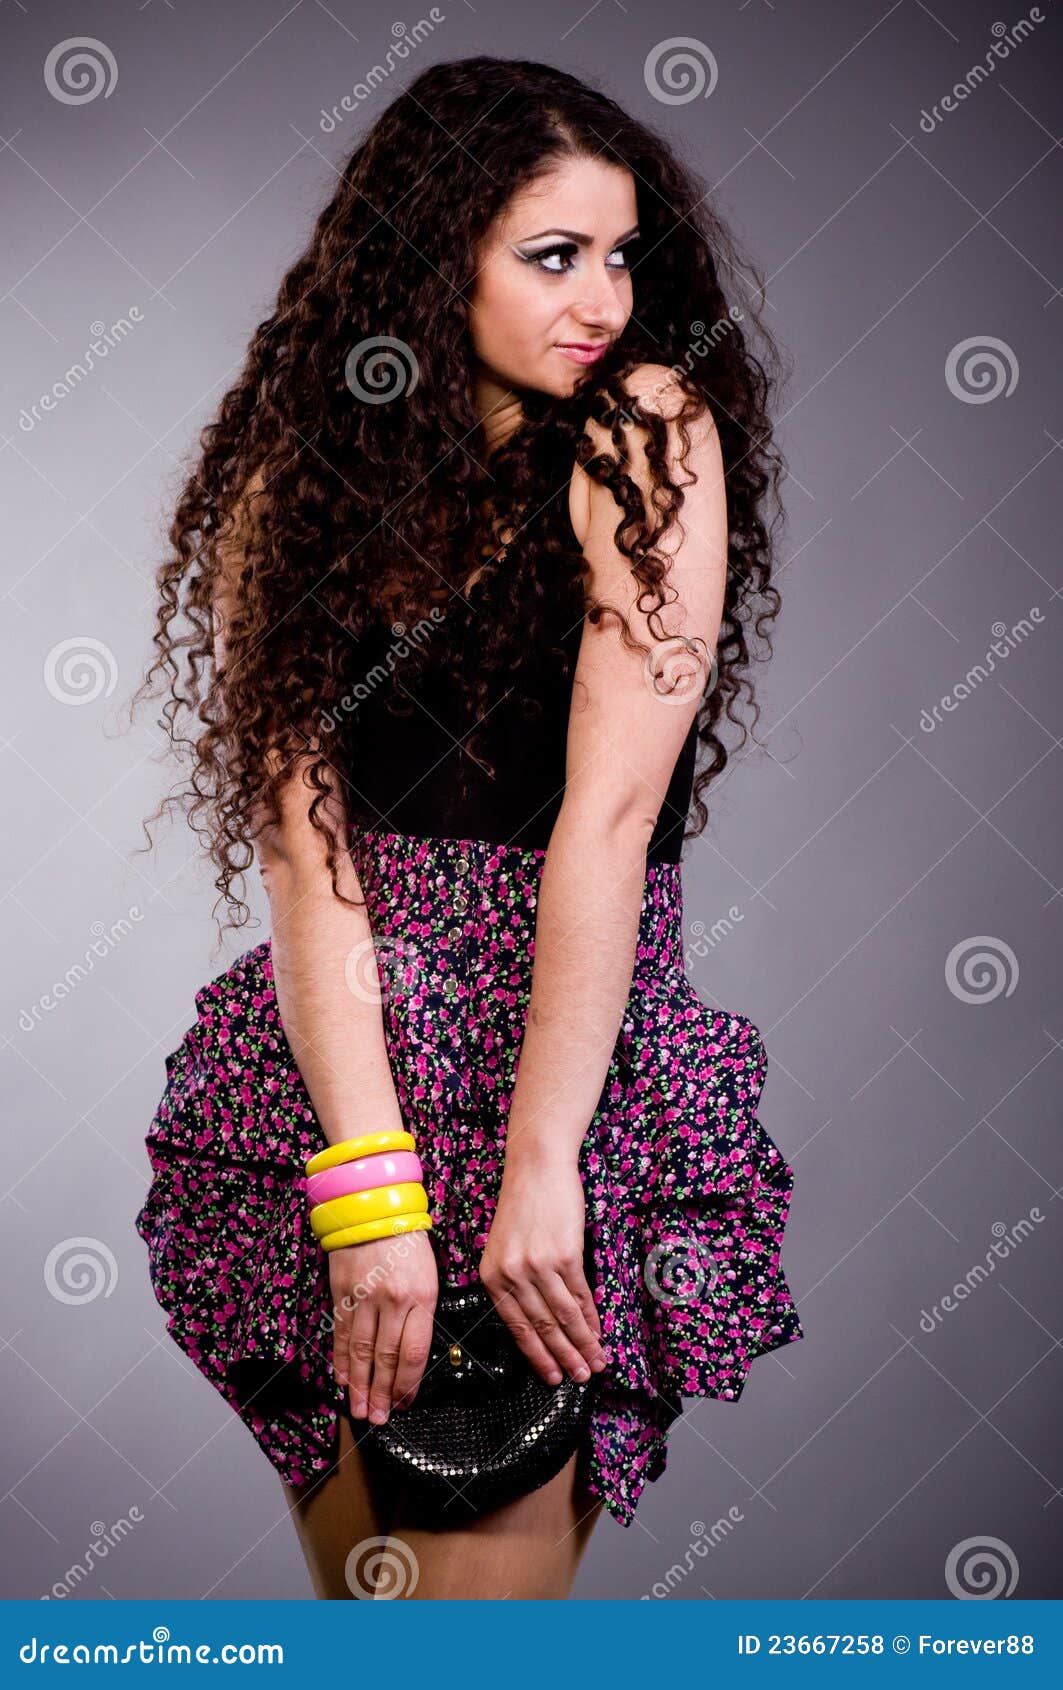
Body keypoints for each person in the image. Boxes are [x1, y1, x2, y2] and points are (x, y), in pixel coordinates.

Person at [130, 54, 803, 1601]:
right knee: (380, 1619)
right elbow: (309, 857)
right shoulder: (300, 481)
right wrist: (369, 1190)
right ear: (440, 262)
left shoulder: (643, 434)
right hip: (340, 1065)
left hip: (553, 1055)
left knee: (467, 1630)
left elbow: (610, 822)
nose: (606, 300)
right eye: (553, 255)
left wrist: (539, 1160)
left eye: (623, 253)